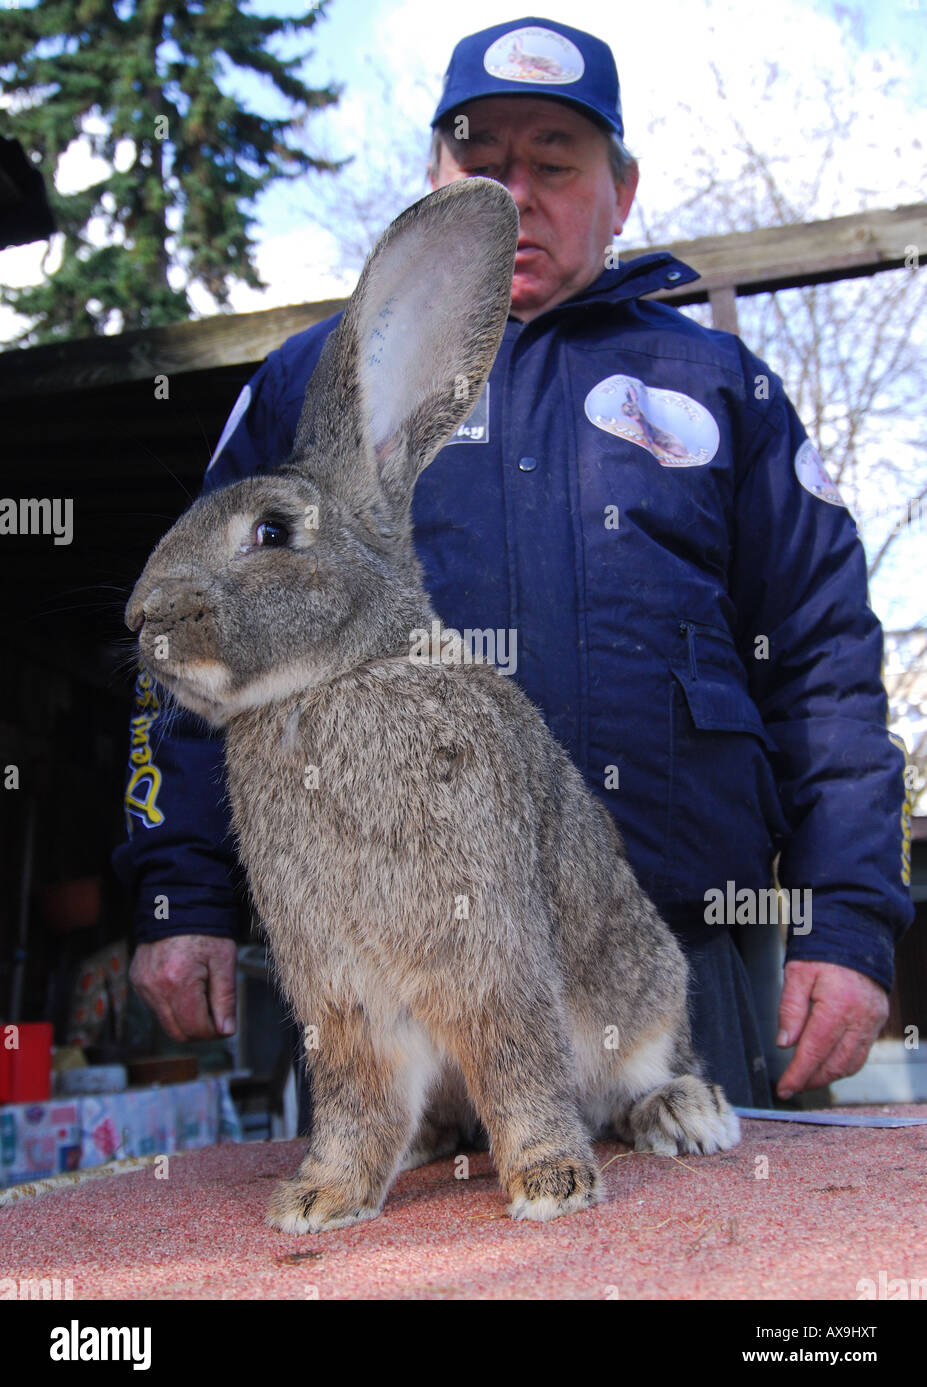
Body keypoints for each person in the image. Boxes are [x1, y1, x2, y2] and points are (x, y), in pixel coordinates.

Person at [117, 17, 912, 1111]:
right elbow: (195, 640)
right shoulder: (311, 386)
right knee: (378, 1275)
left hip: (672, 963)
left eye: (553, 161)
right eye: (480, 159)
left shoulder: (722, 390)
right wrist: (184, 895)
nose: (516, 191)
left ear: (620, 190)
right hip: (378, 980)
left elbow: (824, 665)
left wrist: (849, 920)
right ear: (434, 177)